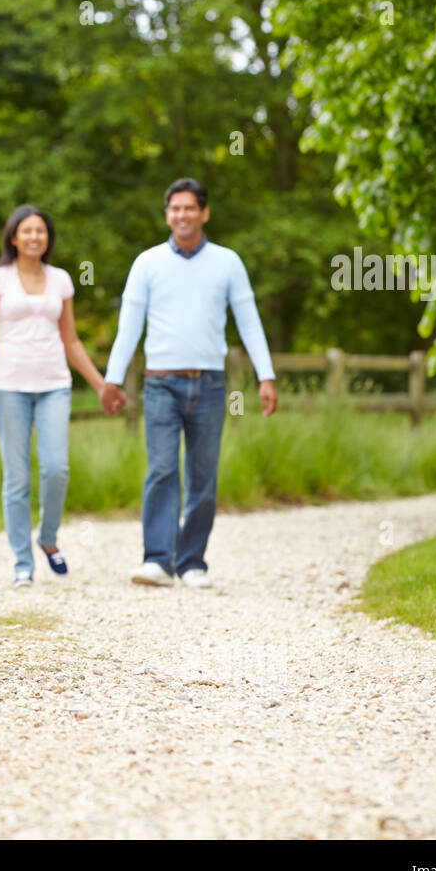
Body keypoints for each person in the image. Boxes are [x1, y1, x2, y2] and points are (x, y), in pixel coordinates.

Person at [102, 178, 278, 590]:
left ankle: (192, 561)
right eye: (174, 208)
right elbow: (128, 328)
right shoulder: (146, 263)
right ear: (167, 215)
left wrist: (265, 374)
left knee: (203, 474)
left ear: (204, 213)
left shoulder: (227, 262)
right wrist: (112, 379)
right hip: (160, 383)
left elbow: (249, 322)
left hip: (210, 385)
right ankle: (157, 560)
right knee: (162, 469)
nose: (181, 215)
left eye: (189, 208)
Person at [0, 204, 125, 587]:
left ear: (48, 237)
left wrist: (101, 384)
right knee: (17, 478)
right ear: (13, 237)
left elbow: (71, 339)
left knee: (57, 469)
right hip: (10, 386)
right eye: (27, 230)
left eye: (41, 230)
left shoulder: (61, 280)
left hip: (55, 384)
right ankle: (23, 563)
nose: (34, 236)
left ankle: (49, 538)